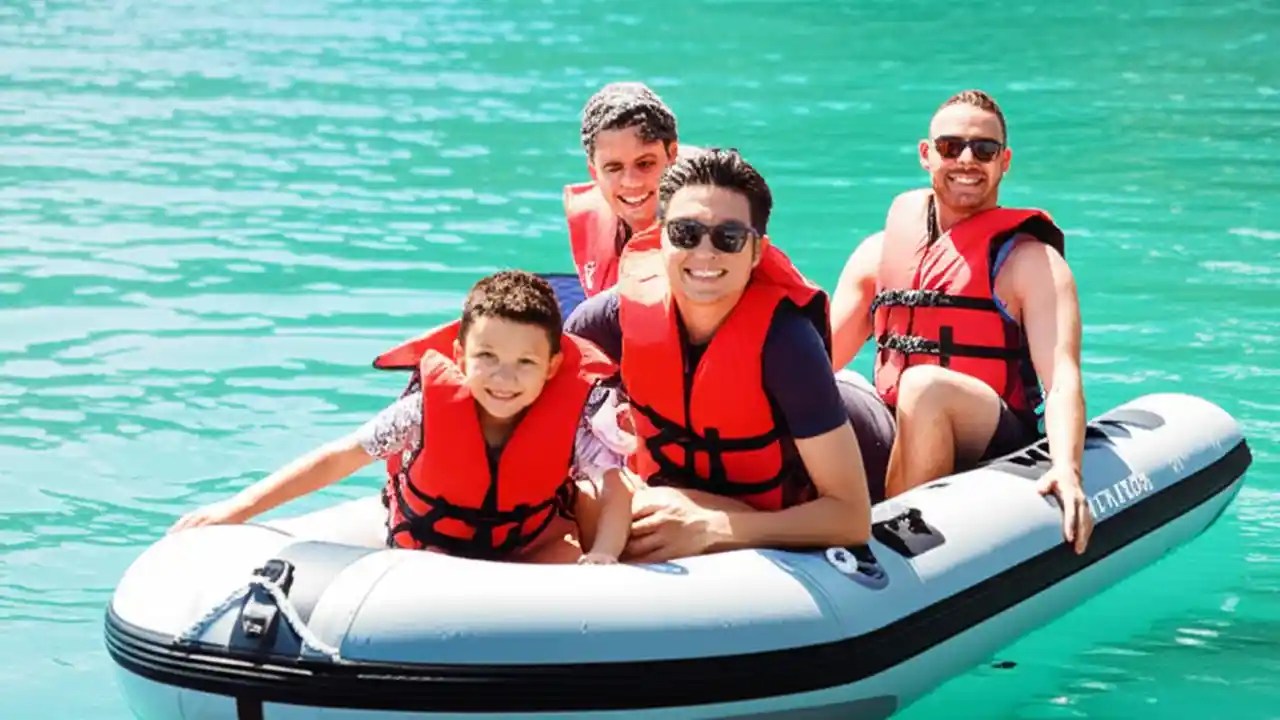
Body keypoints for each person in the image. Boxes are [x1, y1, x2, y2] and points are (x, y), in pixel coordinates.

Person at [169, 271, 636, 565]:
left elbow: (615, 488)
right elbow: (338, 458)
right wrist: (235, 510)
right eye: (487, 356)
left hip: (528, 545)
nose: (503, 377)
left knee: (582, 521)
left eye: (525, 363)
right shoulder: (424, 412)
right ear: (458, 354)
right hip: (427, 549)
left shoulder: (573, 424)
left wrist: (603, 556)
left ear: (553, 366)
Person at [566, 149, 886, 564]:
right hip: (693, 489)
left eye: (729, 238)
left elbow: (850, 517)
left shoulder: (787, 342)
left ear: (756, 252)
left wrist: (713, 528)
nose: (705, 252)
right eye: (685, 233)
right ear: (659, 236)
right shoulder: (606, 322)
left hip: (860, 442)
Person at [829, 89, 1093, 554]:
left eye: (984, 149)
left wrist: (1068, 468)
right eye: (951, 147)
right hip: (900, 423)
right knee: (827, 389)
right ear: (926, 155)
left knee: (925, 385)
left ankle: (890, 548)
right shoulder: (877, 254)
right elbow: (820, 360)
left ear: (1004, 161)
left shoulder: (1032, 263)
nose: (967, 160)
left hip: (992, 432)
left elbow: (1063, 379)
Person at [564, 81, 701, 298]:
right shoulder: (593, 217)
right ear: (594, 172)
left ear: (672, 155)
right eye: (614, 168)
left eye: (645, 164)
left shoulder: (715, 228)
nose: (631, 182)